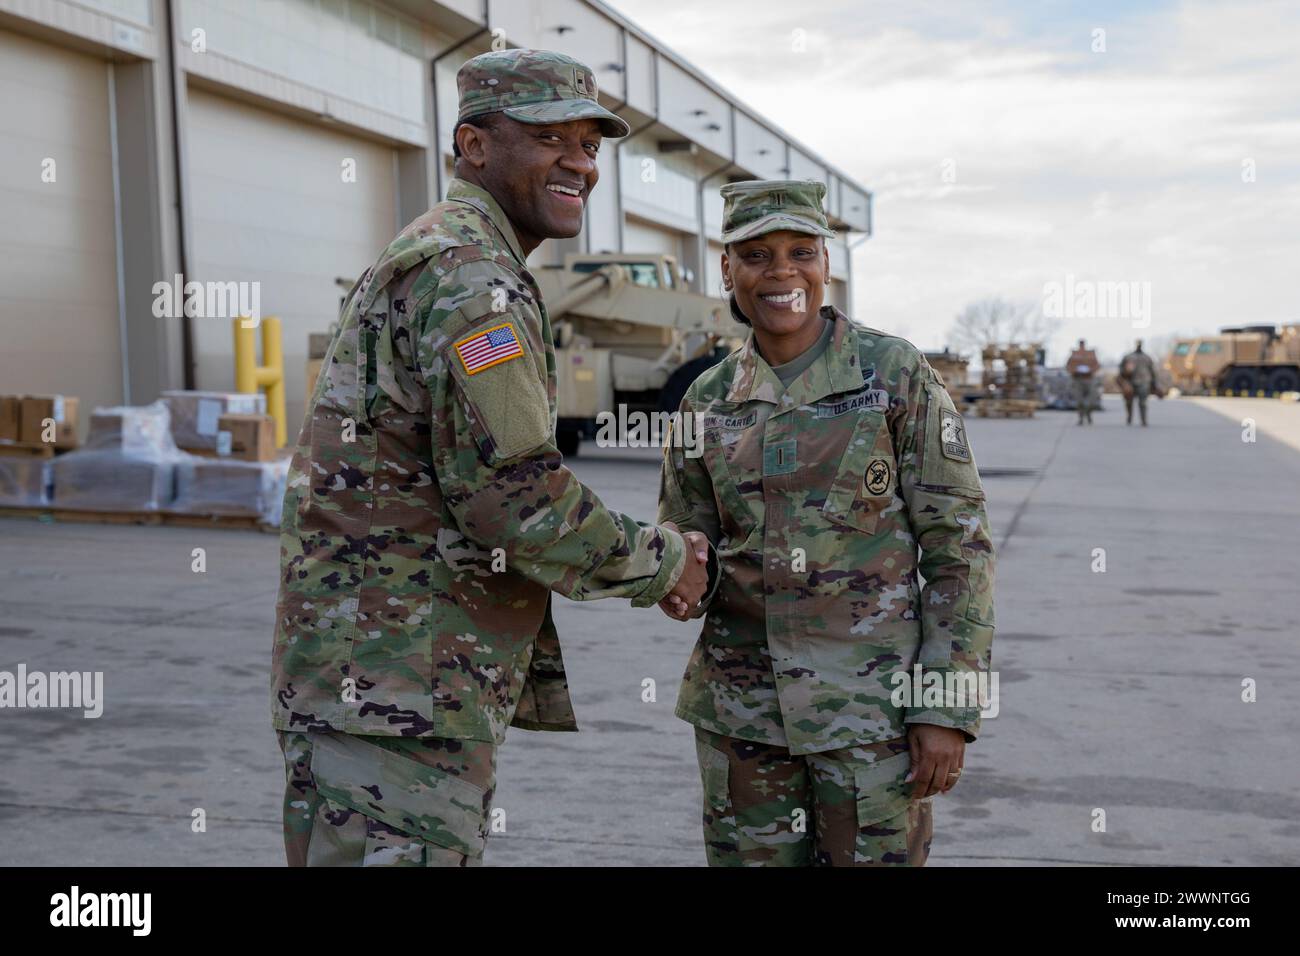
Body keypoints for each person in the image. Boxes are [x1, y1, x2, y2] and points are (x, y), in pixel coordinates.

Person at [270, 48, 712, 867]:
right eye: (552, 137)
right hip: (400, 692)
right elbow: (515, 500)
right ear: (475, 146)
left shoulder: (449, 255)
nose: (580, 161)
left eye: (591, 143)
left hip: (375, 679)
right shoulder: (474, 278)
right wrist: (663, 561)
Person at [657, 180, 996, 866]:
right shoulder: (708, 399)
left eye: (800, 252)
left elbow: (960, 549)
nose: (781, 272)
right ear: (727, 269)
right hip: (742, 716)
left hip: (872, 719)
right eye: (756, 255)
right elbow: (688, 542)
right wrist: (667, 573)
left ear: (825, 263)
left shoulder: (893, 375)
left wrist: (946, 707)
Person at [1118, 339, 1161, 426]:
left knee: (1143, 402)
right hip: (1130, 382)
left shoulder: (1147, 357)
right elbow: (1121, 370)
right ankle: (1129, 417)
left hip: (1144, 382)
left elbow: (1152, 372)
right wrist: (1125, 374)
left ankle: (1143, 419)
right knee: (1129, 401)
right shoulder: (1128, 357)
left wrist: (1155, 384)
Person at [1066, 338, 1099, 425]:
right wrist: (1074, 371)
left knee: (1092, 398)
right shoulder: (1074, 354)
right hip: (1077, 379)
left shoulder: (1091, 354)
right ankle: (1081, 417)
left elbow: (1097, 365)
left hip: (1089, 379)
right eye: (1080, 344)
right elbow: (1068, 366)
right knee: (1079, 399)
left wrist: (1090, 370)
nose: (1082, 346)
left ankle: (1088, 413)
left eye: (1083, 344)